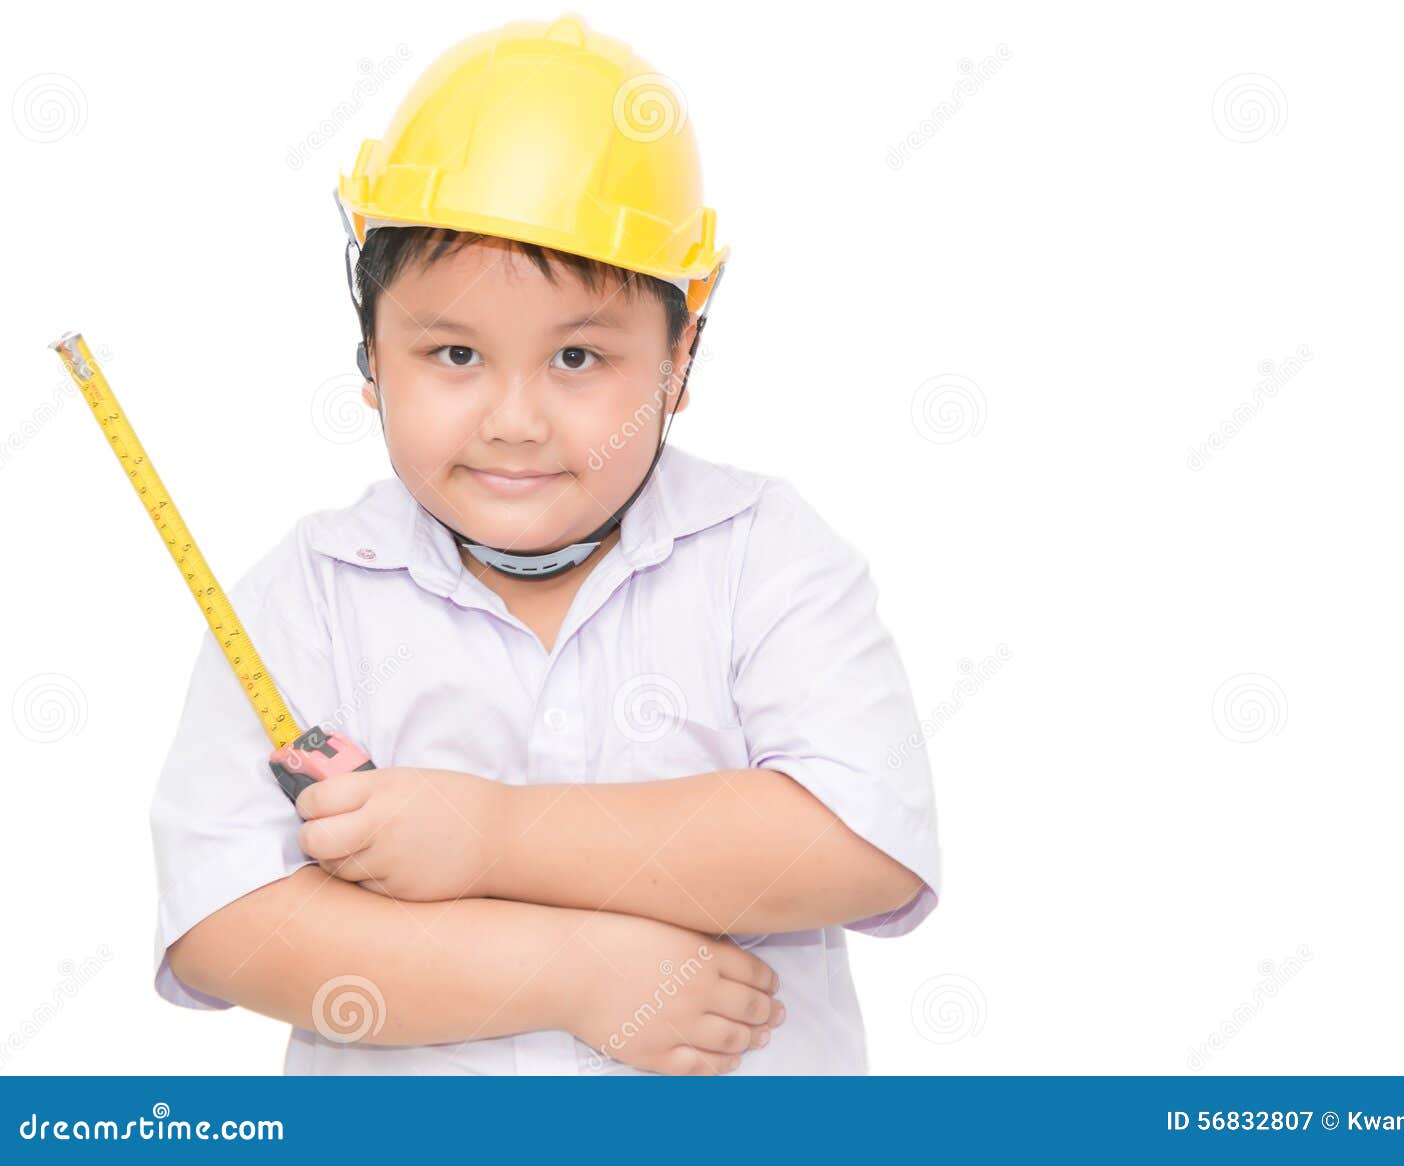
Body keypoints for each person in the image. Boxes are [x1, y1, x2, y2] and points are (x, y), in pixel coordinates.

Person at [151, 13, 941, 1075]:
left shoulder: (765, 555)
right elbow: (231, 922)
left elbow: (862, 843)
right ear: (370, 355)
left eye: (577, 356)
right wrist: (565, 971)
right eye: (456, 352)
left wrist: (491, 836)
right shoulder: (308, 597)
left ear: (681, 355)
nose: (514, 418)